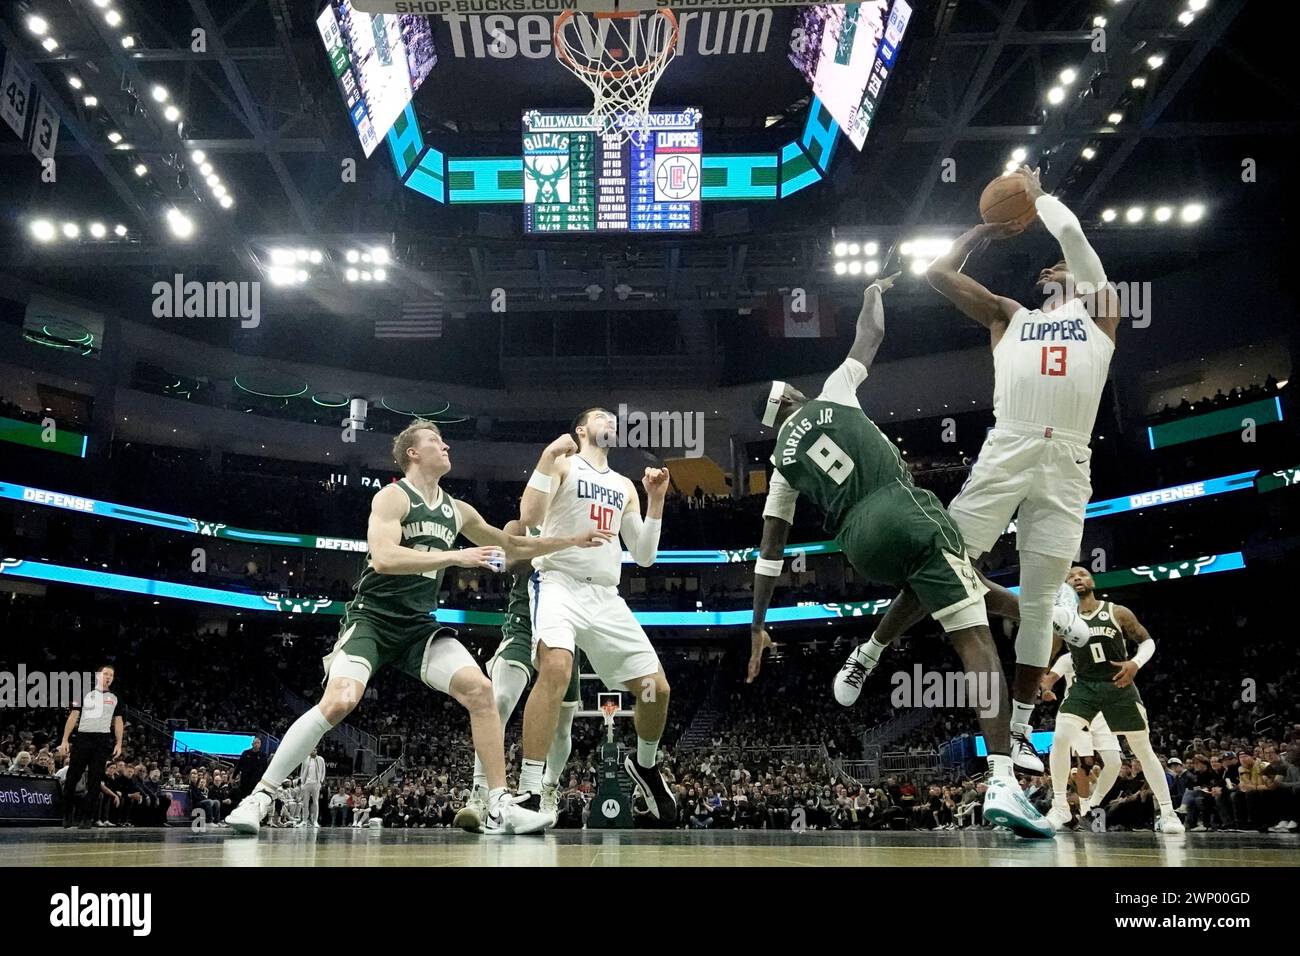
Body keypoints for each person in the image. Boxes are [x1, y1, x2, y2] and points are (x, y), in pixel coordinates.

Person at [746, 274, 1051, 839]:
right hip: (901, 507)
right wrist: (874, 291)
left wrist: (761, 625)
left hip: (858, 545)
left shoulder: (781, 470)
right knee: (974, 637)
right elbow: (872, 336)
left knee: (944, 583)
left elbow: (769, 555)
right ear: (794, 398)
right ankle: (1003, 776)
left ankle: (869, 651)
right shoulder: (834, 390)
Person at [841, 166, 1115, 773]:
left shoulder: (1104, 316)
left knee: (1042, 601)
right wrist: (982, 230)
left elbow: (1074, 239)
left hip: (1068, 458)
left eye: (1073, 280)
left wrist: (1040, 197)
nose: (1064, 281)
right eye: (1059, 281)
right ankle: (871, 648)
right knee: (943, 560)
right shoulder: (1008, 316)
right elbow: (936, 275)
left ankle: (1017, 731)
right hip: (1009, 446)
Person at [224, 420, 608, 836]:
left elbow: (511, 545)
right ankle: (259, 797)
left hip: (418, 627)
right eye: (434, 441)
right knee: (339, 702)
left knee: (480, 691)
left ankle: (496, 802)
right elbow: (385, 557)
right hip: (373, 619)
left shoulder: (456, 509)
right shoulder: (393, 496)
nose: (445, 446)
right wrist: (454, 559)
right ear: (412, 453)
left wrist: (569, 541)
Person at [512, 412, 676, 823]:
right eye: (602, 417)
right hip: (558, 583)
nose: (612, 422)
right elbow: (529, 516)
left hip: (605, 595)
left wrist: (655, 499)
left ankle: (644, 765)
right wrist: (548, 455)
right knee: (556, 668)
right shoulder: (564, 464)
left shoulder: (624, 486)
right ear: (582, 430)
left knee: (656, 689)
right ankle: (529, 792)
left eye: (614, 419)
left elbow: (644, 555)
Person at [461, 519, 583, 832]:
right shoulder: (520, 525)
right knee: (499, 699)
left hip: (565, 626)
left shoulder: (577, 516)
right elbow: (507, 561)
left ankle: (548, 789)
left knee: (561, 727)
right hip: (522, 623)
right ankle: (479, 794)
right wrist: (553, 544)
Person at [1039, 567, 1182, 833]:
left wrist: (1135, 663)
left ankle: (1168, 812)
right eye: (1070, 576)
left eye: (1082, 573)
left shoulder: (1117, 612)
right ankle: (1060, 807)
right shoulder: (1064, 618)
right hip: (1084, 687)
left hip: (1118, 685)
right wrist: (1043, 678)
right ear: (1066, 587)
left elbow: (1147, 641)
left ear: (1092, 580)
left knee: (1142, 749)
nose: (1077, 578)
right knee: (1060, 737)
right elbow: (1051, 652)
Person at [56, 665, 124, 829]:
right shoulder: (84, 693)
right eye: (105, 673)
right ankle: (67, 815)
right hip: (83, 738)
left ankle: (87, 819)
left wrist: (119, 743)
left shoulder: (115, 697)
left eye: (111, 675)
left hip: (102, 741)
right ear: (98, 676)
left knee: (94, 781)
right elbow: (73, 716)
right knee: (72, 778)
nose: (108, 676)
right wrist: (65, 740)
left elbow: (119, 721)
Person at [233, 737, 268, 803]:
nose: (256, 744)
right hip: (245, 780)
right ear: (252, 744)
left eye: (258, 743)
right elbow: (239, 766)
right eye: (255, 743)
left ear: (260, 744)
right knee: (243, 798)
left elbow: (265, 769)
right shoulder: (246, 753)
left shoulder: (263, 755)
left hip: (256, 781)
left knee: (253, 799)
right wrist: (233, 777)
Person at [298, 747, 325, 828]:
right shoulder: (305, 759)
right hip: (307, 783)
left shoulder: (320, 759)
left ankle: (315, 821)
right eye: (312, 750)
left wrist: (321, 781)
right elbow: (302, 771)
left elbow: (323, 770)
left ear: (316, 751)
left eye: (315, 750)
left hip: (316, 783)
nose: (313, 751)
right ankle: (304, 820)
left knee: (315, 803)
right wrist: (302, 782)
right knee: (305, 803)